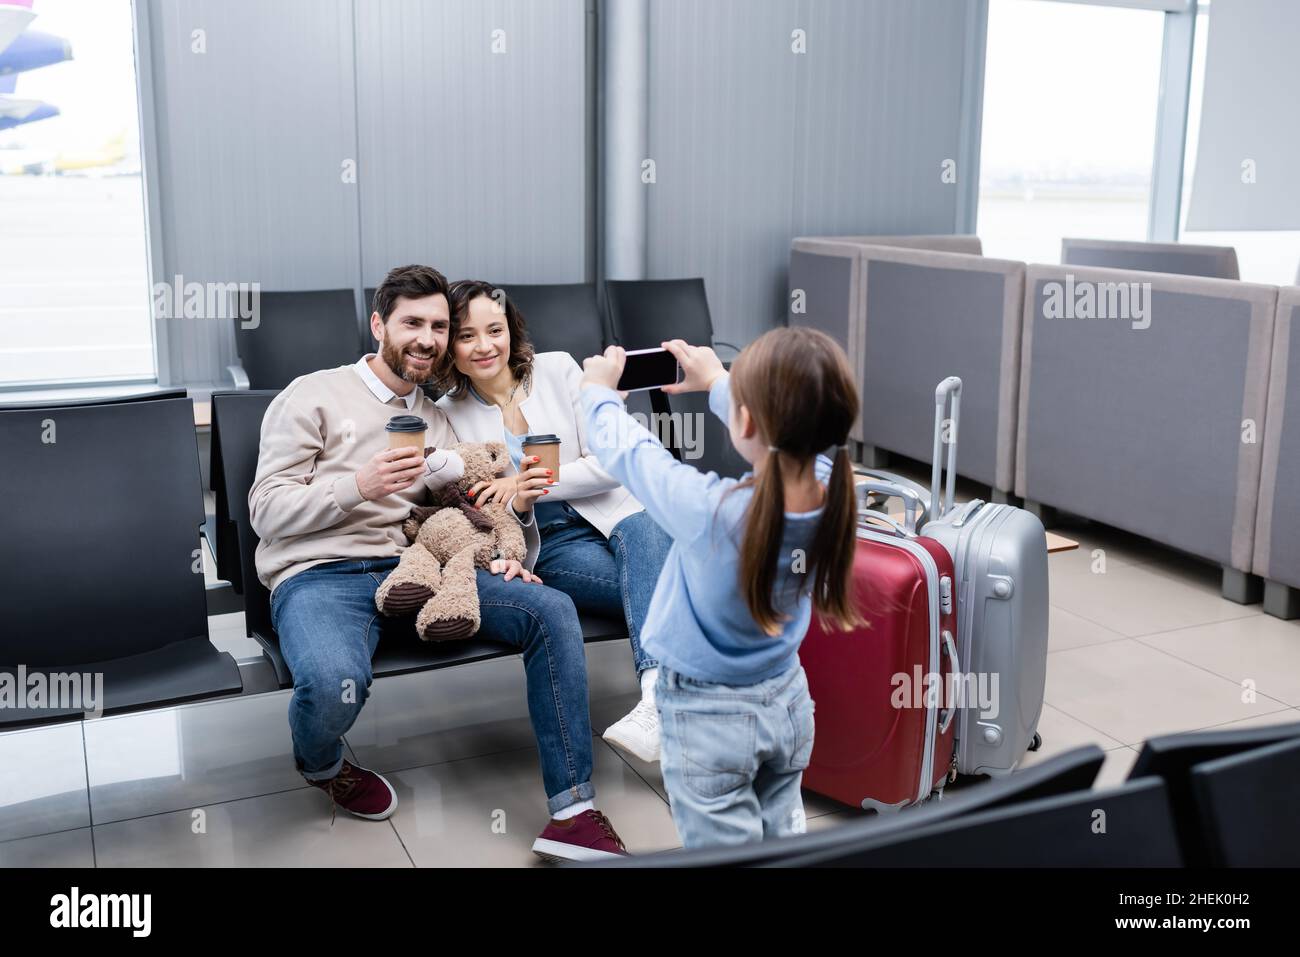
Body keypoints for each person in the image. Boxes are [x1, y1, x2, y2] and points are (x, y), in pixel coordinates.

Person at [249, 264, 629, 862]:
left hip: (423, 567)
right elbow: (265, 513)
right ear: (379, 324)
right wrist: (358, 485)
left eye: (438, 326)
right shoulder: (313, 394)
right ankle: (322, 763)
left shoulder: (438, 415)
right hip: (320, 575)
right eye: (412, 323)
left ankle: (573, 812)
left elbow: (466, 499)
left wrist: (506, 550)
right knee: (330, 686)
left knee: (551, 609)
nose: (426, 338)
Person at [575, 327, 863, 847]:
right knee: (782, 837)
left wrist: (597, 393)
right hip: (788, 703)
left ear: (746, 420)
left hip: (709, 720)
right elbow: (799, 433)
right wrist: (718, 382)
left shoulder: (712, 512)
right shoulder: (833, 485)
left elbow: (634, 456)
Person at [433, 280, 673, 762]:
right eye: (466, 336)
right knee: (677, 587)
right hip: (548, 541)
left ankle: (657, 699)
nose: (484, 346)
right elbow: (474, 500)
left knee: (651, 536)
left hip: (620, 512)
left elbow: (610, 464)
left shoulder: (560, 369)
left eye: (494, 330)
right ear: (449, 349)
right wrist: (516, 499)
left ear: (511, 329)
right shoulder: (448, 414)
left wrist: (528, 481)